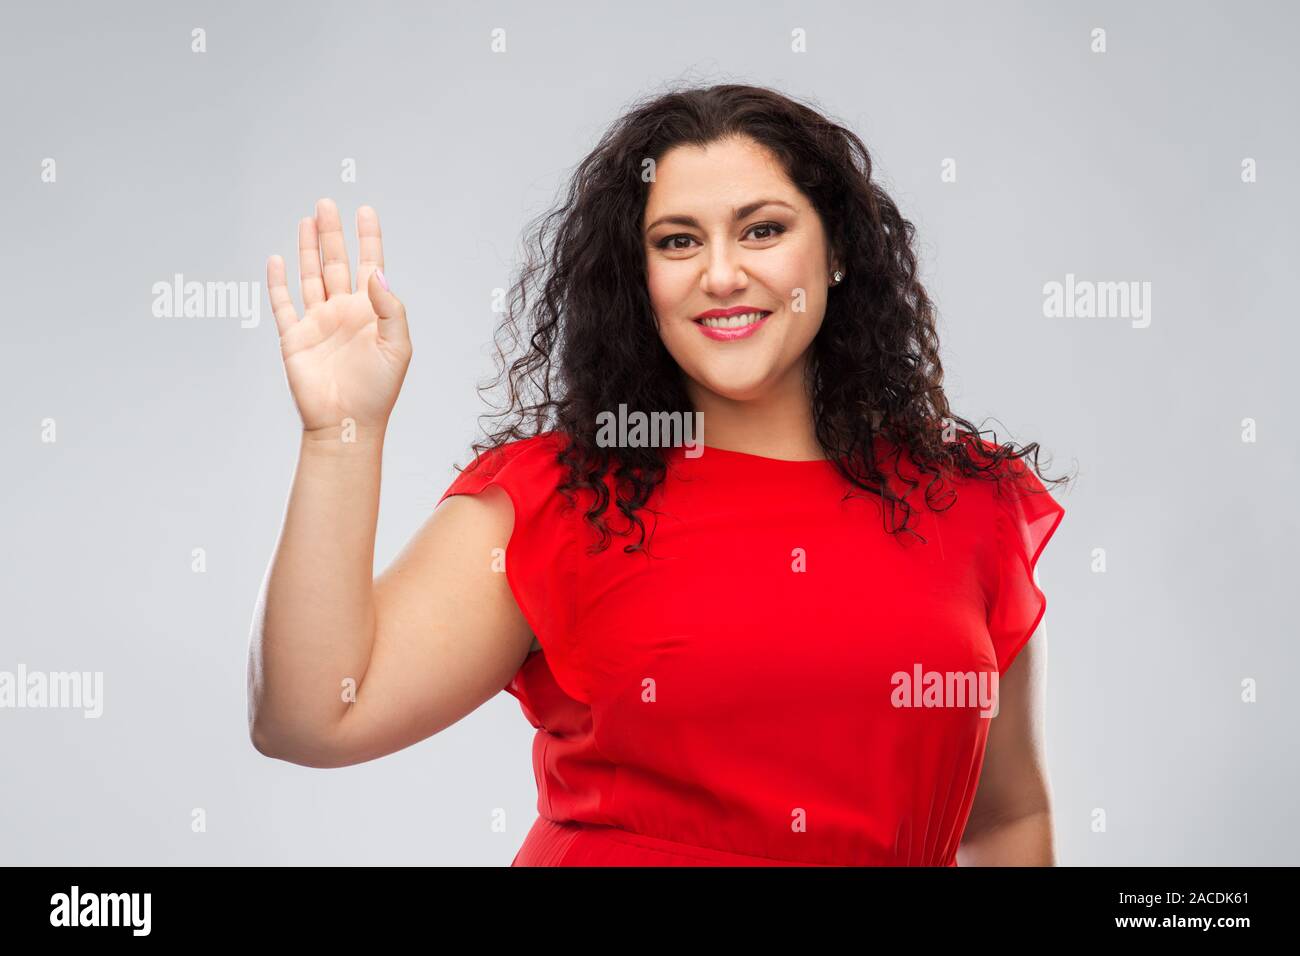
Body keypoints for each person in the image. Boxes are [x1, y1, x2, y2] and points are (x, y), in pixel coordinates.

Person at [248, 83, 1070, 866]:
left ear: (839, 252)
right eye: (678, 241)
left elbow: (1007, 818)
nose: (721, 274)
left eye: (762, 230)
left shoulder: (967, 502)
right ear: (639, 281)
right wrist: (337, 435)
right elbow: (313, 718)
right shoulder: (561, 500)